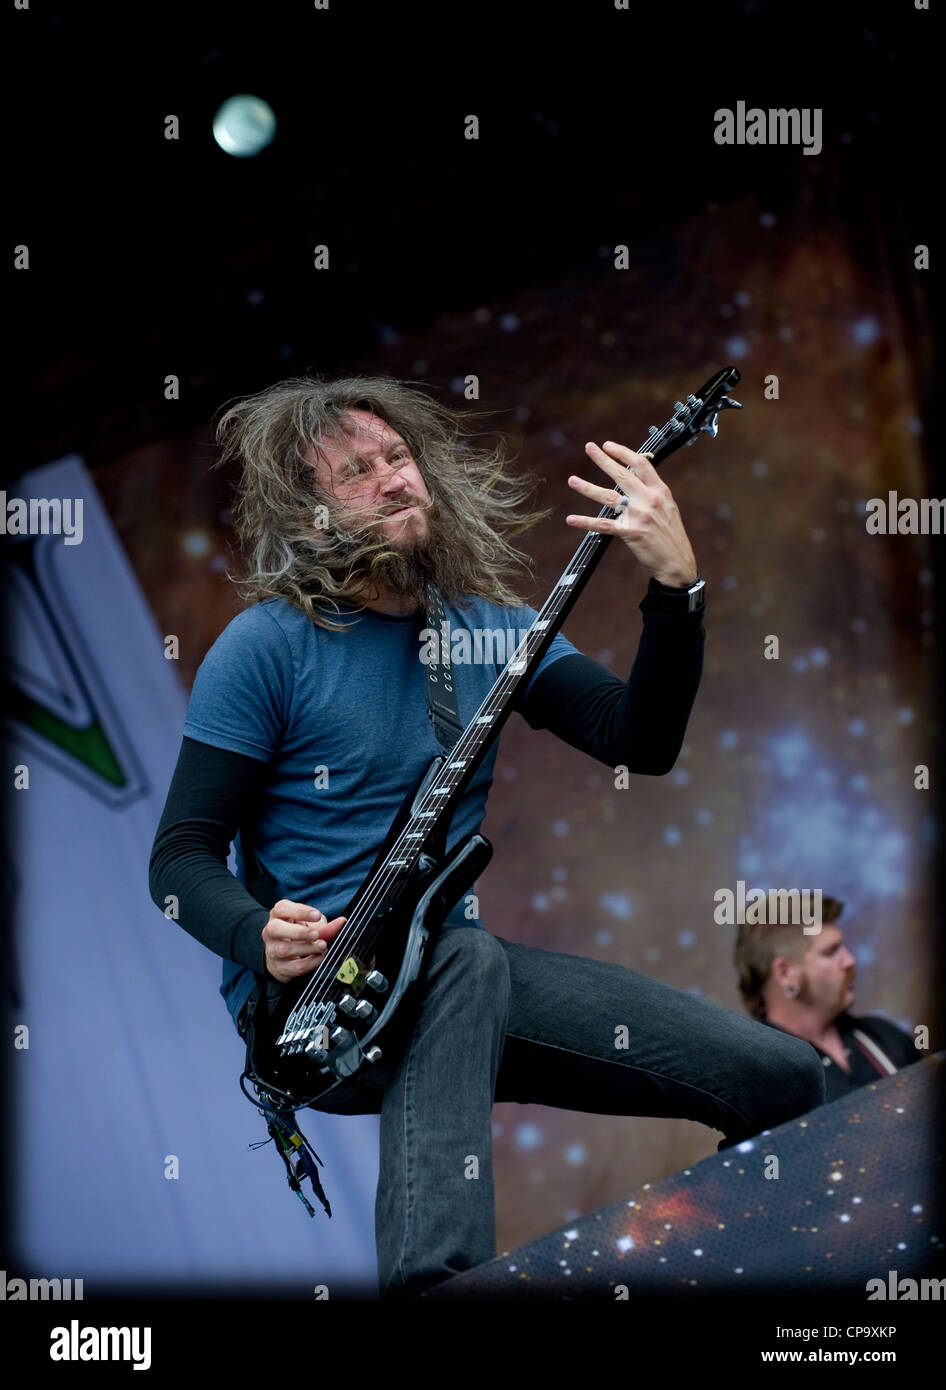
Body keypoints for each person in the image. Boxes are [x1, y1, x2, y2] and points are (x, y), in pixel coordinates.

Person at [149, 374, 825, 1299]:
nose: (397, 480)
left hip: (455, 983)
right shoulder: (265, 650)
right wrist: (255, 934)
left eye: (400, 458)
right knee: (472, 961)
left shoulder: (490, 634)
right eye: (358, 471)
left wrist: (677, 589)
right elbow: (178, 862)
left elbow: (643, 741)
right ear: (310, 518)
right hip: (319, 1008)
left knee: (785, 1077)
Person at [734, 896, 921, 1103]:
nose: (850, 960)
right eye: (830, 952)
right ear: (785, 972)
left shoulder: (885, 1038)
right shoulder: (758, 1075)